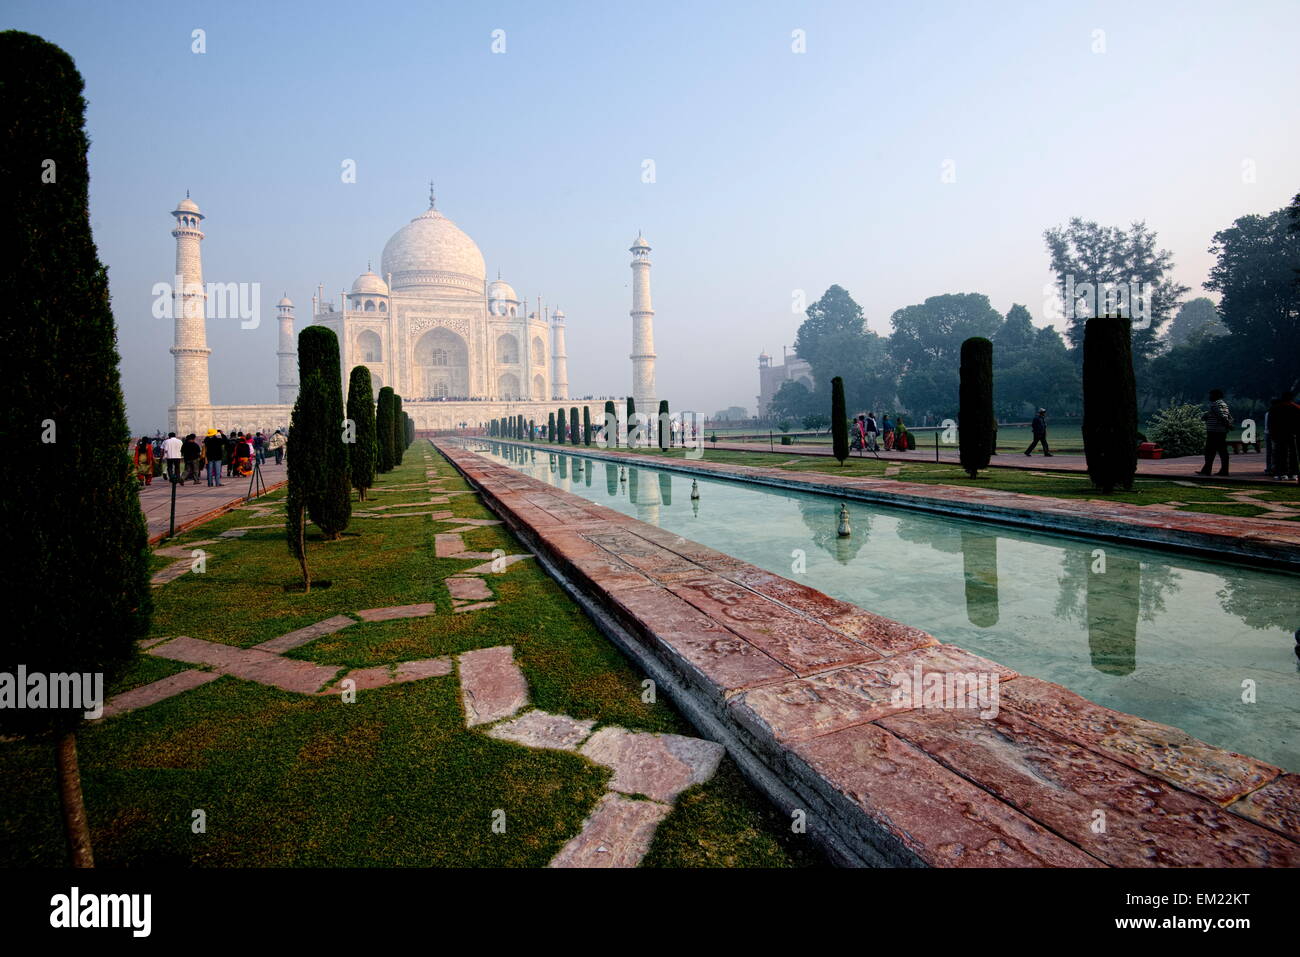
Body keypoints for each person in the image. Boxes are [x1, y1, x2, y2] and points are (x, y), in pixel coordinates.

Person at [1196, 389, 1233, 476]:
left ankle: (1207, 470)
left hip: (1214, 431)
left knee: (1209, 451)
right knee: (1222, 451)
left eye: (1211, 395)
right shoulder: (1223, 404)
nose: (1209, 397)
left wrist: (1227, 424)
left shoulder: (1215, 404)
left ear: (1216, 395)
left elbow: (1221, 416)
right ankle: (1222, 470)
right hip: (1220, 431)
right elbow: (1227, 416)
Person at [1270, 390, 1299, 482]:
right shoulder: (1296, 408)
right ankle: (1294, 473)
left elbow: (1272, 423)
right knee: (1293, 454)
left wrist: (1273, 434)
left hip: (1280, 434)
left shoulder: (1275, 408)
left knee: (1281, 454)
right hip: (1293, 434)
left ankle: (1282, 473)